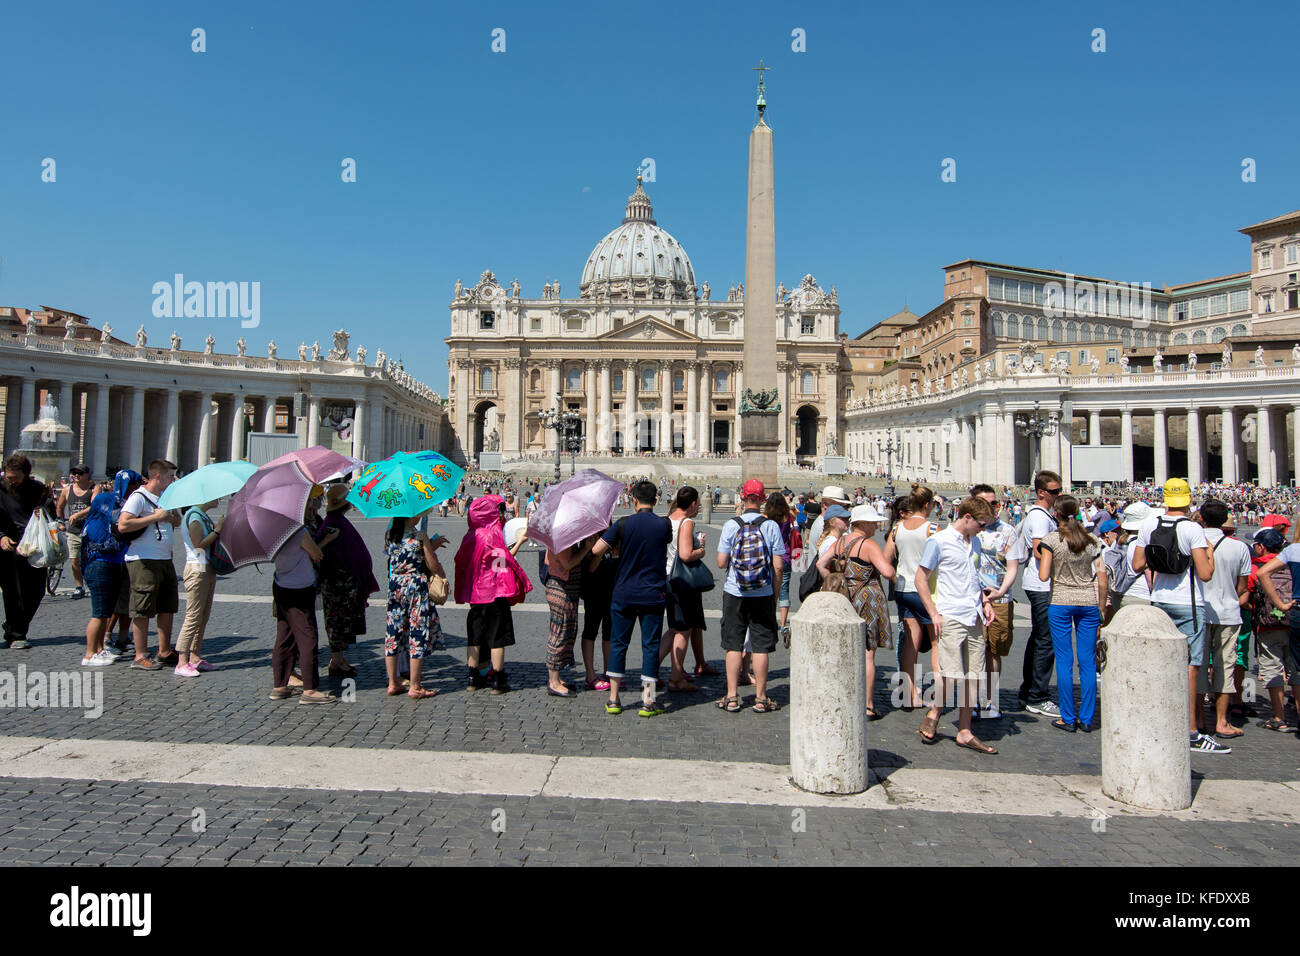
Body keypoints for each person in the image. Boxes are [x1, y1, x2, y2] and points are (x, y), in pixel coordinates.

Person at [1132, 478, 1226, 754]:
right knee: (1191, 666)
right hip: (1189, 602)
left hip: (1159, 599)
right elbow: (1206, 574)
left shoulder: (1150, 525)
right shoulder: (1192, 529)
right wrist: (1208, 551)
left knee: (1158, 662)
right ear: (1188, 499)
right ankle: (1190, 731)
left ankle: (1155, 719)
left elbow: (1138, 564)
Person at [915, 496, 997, 753]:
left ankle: (964, 730)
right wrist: (933, 613)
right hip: (949, 614)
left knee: (974, 675)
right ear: (967, 517)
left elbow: (973, 576)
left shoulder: (975, 543)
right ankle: (935, 712)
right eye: (981, 524)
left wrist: (985, 601)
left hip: (974, 614)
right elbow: (920, 579)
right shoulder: (938, 541)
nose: (983, 530)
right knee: (951, 675)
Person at [589, 480, 673, 717]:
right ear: (656, 501)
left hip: (624, 593)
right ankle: (648, 702)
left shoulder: (624, 524)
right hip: (653, 594)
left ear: (633, 500)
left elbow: (596, 551)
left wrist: (614, 546)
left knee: (618, 644)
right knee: (650, 646)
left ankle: (614, 699)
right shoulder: (663, 525)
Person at [714, 479, 786, 713]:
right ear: (763, 498)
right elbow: (778, 567)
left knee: (733, 644)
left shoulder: (731, 525)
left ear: (742, 498)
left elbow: (721, 562)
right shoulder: (771, 527)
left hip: (735, 591)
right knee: (761, 646)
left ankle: (732, 697)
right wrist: (774, 595)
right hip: (763, 592)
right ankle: (761, 698)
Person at [1036, 495, 1106, 733]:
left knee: (1064, 661)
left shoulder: (1052, 540)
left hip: (1061, 602)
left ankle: (1067, 717)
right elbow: (1102, 577)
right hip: (1088, 602)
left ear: (1056, 513)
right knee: (1087, 661)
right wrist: (1102, 606)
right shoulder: (1093, 540)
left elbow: (1043, 576)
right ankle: (1087, 718)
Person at [454, 494, 531, 695]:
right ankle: (498, 678)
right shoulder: (493, 536)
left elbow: (460, 562)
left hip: (475, 594)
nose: (499, 514)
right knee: (497, 636)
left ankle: (472, 676)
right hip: (495, 592)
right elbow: (503, 561)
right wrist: (520, 542)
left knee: (475, 635)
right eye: (496, 511)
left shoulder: (469, 536)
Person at [826, 503, 895, 719]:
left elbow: (821, 563)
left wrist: (836, 578)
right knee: (867, 654)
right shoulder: (868, 544)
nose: (876, 526)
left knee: (847, 649)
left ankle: (845, 696)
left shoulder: (840, 543)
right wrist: (893, 571)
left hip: (847, 597)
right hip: (867, 598)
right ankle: (867, 705)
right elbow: (885, 571)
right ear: (863, 524)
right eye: (873, 523)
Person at [1195, 499, 1251, 739]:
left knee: (1197, 666)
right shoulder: (1239, 548)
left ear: (1202, 519)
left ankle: (1198, 720)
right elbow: (1242, 586)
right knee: (1225, 667)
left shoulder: (1193, 543)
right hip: (1228, 612)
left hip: (1200, 610)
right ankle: (1221, 721)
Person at [118, 459, 181, 669]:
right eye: (170, 476)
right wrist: (153, 518)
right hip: (143, 559)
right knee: (142, 607)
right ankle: (140, 655)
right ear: (157, 476)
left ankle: (164, 651)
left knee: (167, 605)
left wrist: (171, 516)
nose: (173, 480)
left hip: (164, 558)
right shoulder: (138, 497)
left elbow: (178, 521)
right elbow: (123, 524)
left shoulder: (166, 497)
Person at [269, 511, 335, 703]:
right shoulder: (298, 532)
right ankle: (309, 689)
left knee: (285, 636)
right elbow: (316, 554)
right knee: (308, 637)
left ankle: (279, 685)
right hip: (299, 588)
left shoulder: (274, 532)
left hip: (281, 584)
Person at [971, 483, 1023, 720]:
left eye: (995, 503)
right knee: (971, 651)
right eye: (987, 503)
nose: (993, 507)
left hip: (1000, 597)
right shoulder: (967, 530)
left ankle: (991, 701)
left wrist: (1001, 591)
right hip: (971, 599)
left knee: (994, 651)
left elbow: (1013, 567)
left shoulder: (1008, 531)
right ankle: (969, 702)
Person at [319, 484, 379, 677]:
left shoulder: (337, 520)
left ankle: (339, 659)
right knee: (337, 622)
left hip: (346, 583)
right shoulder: (332, 523)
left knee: (342, 622)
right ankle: (337, 661)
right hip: (339, 584)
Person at [887, 486, 939, 710]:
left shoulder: (897, 529)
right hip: (926, 592)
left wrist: (897, 579)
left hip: (903, 590)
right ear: (928, 505)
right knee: (937, 643)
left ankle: (909, 696)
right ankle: (940, 694)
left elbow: (886, 558)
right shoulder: (933, 529)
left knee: (911, 643)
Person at [1018, 470, 1063, 719]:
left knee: (1039, 638)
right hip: (1041, 584)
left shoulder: (1043, 516)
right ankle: (1038, 695)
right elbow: (1038, 550)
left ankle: (1029, 691)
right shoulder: (1040, 518)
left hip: (1039, 583)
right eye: (1054, 491)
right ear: (1041, 492)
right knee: (1045, 641)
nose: (1058, 495)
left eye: (1059, 491)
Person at [384, 512, 442, 699]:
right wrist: (429, 547)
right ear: (411, 517)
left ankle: (393, 682)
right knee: (418, 632)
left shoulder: (390, 534)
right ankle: (415, 686)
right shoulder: (419, 536)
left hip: (395, 585)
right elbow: (432, 566)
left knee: (393, 632)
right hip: (415, 586)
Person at [0, 454, 52, 649]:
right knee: (12, 591)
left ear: (25, 474)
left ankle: (14, 625)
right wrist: (1, 537)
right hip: (9, 546)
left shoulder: (38, 489)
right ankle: (17, 634)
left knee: (36, 590)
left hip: (35, 546)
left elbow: (50, 514)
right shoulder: (0, 488)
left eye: (15, 477)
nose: (11, 481)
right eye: (8, 477)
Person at [1246, 528, 1296, 731]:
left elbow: (1245, 598)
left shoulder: (1256, 569)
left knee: (1273, 670)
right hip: (1294, 623)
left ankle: (1279, 717)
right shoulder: (1292, 566)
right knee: (1296, 671)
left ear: (1261, 547)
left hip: (1268, 626)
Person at [660, 487, 707, 692]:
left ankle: (652, 668)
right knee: (683, 630)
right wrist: (702, 550)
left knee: (673, 628)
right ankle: (676, 677)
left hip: (668, 576)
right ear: (693, 504)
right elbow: (687, 555)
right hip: (682, 581)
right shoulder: (686, 522)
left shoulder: (668, 519)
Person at [79, 480, 128, 665]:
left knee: (105, 612)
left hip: (108, 565)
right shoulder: (96, 526)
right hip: (100, 566)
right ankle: (89, 654)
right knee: (99, 613)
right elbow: (106, 545)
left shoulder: (101, 521)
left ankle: (99, 649)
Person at [543, 534, 596, 698]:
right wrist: (586, 548)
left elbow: (547, 560)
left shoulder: (560, 536)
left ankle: (557, 677)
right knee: (559, 634)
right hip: (561, 589)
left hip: (566, 588)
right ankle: (553, 682)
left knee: (565, 632)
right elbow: (568, 564)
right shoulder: (561, 538)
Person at [175, 498, 221, 677]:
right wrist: (217, 530)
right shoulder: (194, 516)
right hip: (196, 568)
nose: (219, 498)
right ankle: (181, 661)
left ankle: (195, 656)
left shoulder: (202, 516)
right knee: (193, 616)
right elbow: (199, 545)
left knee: (203, 615)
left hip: (206, 567)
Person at [580, 532, 615, 690]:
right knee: (591, 630)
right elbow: (590, 568)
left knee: (609, 632)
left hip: (612, 589)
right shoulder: (589, 537)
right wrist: (599, 553)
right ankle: (590, 674)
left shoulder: (613, 533)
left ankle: (609, 671)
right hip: (593, 590)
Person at [57, 464, 96, 599]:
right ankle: (79, 586)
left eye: (79, 473)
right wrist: (61, 521)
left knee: (90, 560)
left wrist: (77, 515)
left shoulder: (94, 489)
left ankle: (91, 582)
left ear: (87, 474)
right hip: (73, 531)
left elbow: (94, 506)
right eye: (74, 473)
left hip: (90, 530)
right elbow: (60, 506)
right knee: (74, 561)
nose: (76, 475)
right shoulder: (67, 490)